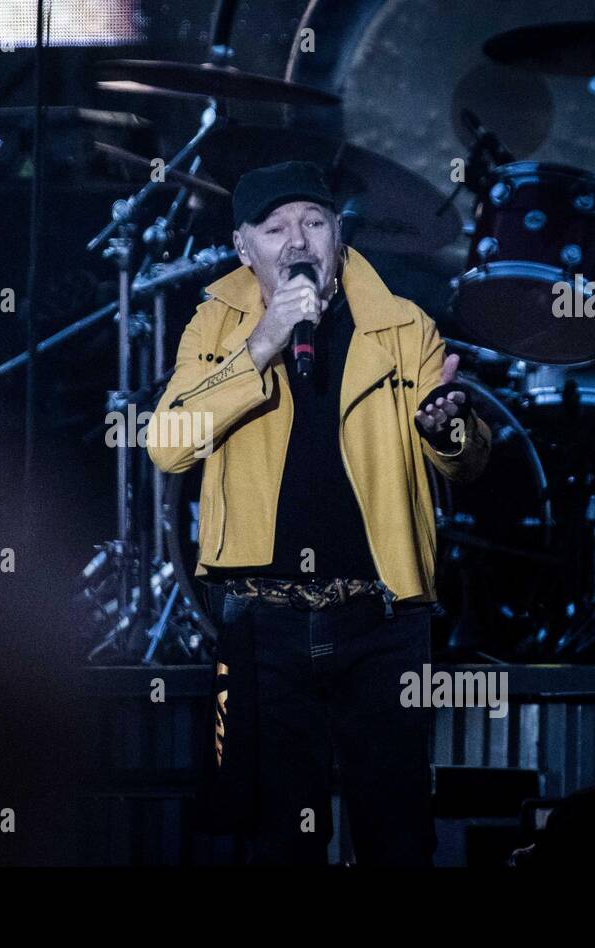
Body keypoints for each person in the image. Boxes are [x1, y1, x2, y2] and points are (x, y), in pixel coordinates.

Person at [146, 160, 491, 865]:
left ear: (338, 233)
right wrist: (262, 345)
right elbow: (167, 446)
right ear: (245, 248)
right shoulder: (214, 326)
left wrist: (447, 431)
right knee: (281, 841)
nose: (296, 241)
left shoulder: (400, 324)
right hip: (263, 624)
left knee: (397, 836)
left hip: (382, 620)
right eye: (275, 228)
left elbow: (468, 455)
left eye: (313, 222)